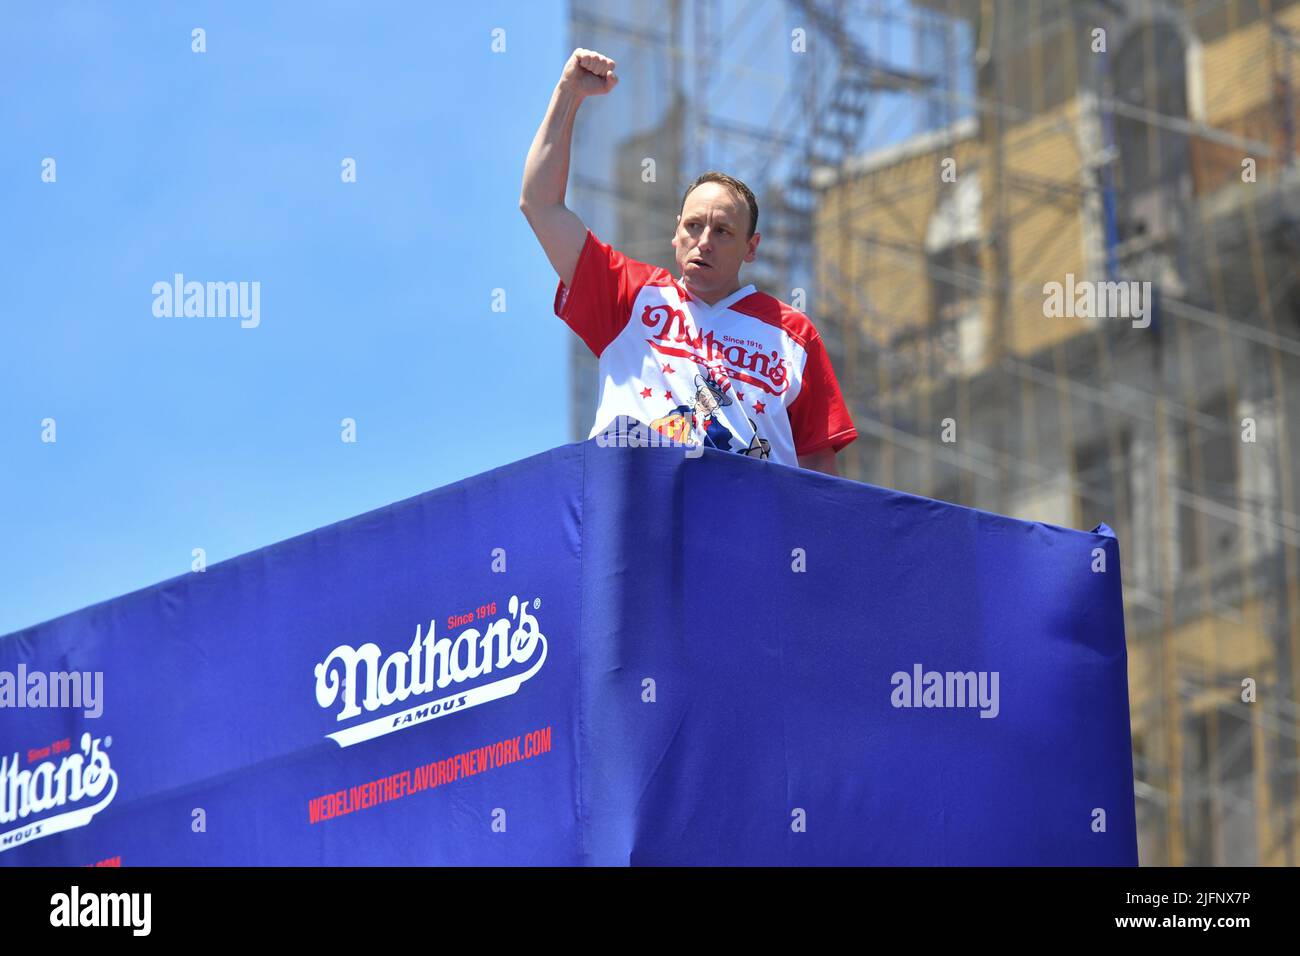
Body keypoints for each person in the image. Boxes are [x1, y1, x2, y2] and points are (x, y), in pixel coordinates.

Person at [519, 48, 857, 475]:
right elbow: (540, 204)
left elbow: (818, 464)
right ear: (676, 232)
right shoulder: (629, 294)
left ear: (751, 248)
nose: (704, 242)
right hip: (638, 519)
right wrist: (568, 94)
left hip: (747, 532)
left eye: (723, 232)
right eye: (694, 227)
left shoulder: (795, 336)